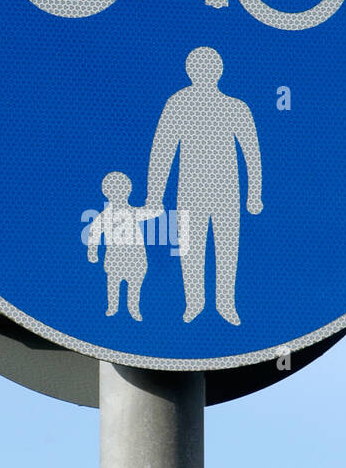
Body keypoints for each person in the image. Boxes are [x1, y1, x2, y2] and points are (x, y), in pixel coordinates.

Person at [146, 47, 262, 325]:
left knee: (227, 246)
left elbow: (251, 153)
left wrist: (254, 194)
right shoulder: (178, 103)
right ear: (190, 71)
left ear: (219, 71)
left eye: (210, 67)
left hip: (226, 190)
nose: (204, 72)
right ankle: (194, 302)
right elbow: (163, 149)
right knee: (190, 247)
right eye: (198, 67)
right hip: (190, 189)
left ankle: (226, 303)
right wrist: (154, 195)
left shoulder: (236, 107)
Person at [86, 172, 160, 320]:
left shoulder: (132, 212)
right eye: (113, 190)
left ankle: (134, 309)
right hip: (115, 259)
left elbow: (151, 212)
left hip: (136, 259)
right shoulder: (105, 215)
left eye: (122, 189)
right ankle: (112, 307)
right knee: (113, 283)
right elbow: (94, 233)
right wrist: (92, 251)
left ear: (128, 191)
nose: (118, 194)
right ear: (107, 193)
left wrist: (156, 203)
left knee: (135, 286)